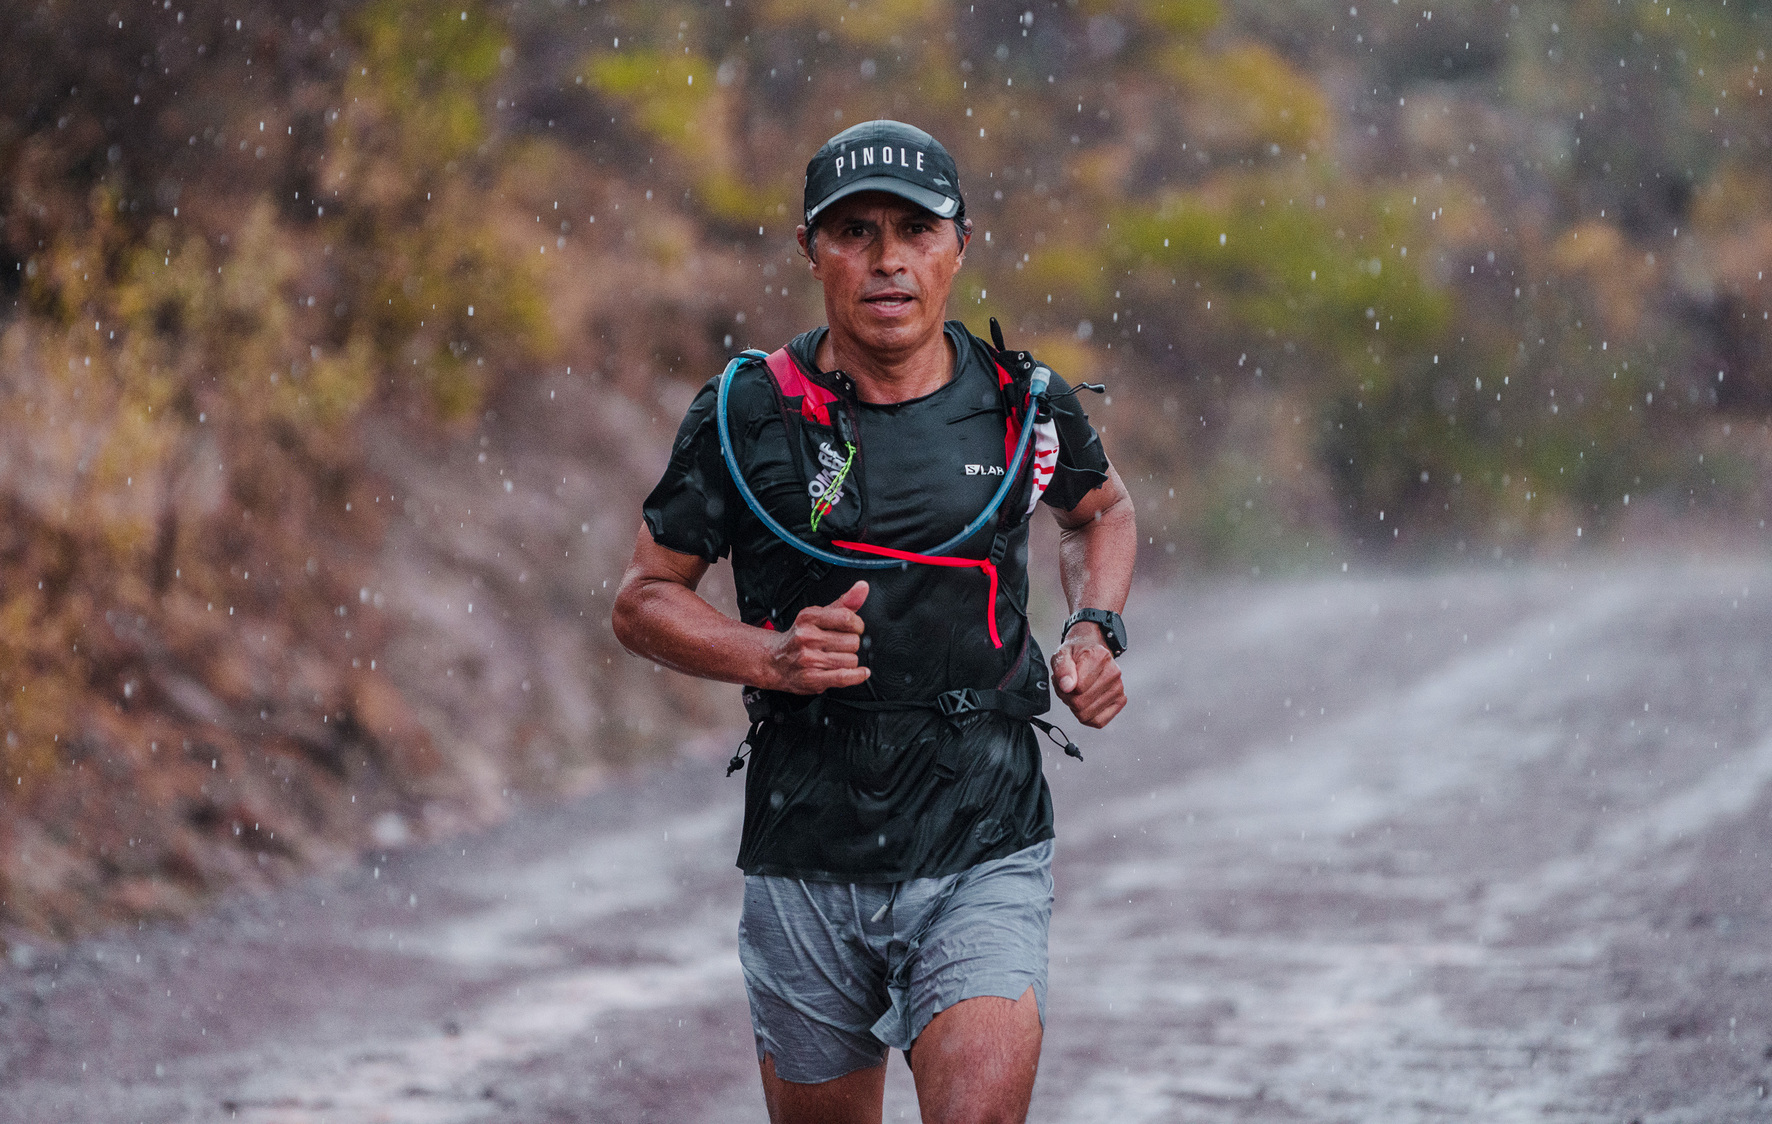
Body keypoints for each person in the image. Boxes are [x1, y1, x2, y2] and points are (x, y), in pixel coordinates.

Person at [612, 119, 1135, 1124]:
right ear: (810, 249)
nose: (887, 257)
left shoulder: (1022, 403)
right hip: (806, 841)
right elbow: (642, 598)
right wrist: (768, 655)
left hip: (983, 832)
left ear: (958, 244)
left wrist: (1094, 626)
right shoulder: (744, 412)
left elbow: (1099, 508)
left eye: (913, 228)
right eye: (853, 230)